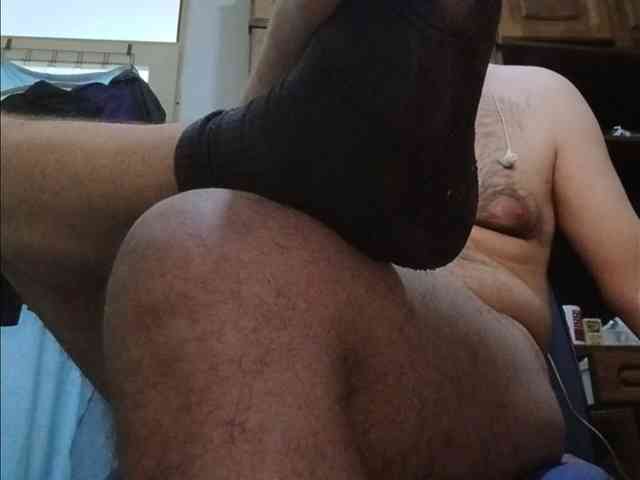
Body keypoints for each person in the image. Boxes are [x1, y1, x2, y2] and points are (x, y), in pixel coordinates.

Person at [1, 0, 636, 479]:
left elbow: (633, 278)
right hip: (287, 289)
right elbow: (242, 201)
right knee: (179, 239)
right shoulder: (324, 71)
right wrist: (299, 19)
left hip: (486, 363)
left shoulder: (544, 97)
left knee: (191, 247)